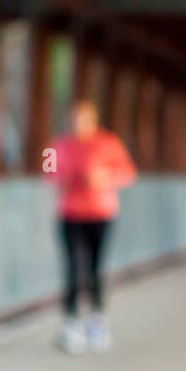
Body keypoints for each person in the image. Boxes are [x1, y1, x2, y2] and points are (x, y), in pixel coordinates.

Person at [46, 98, 137, 354]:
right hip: (70, 213)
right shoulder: (59, 145)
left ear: (93, 120)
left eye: (82, 119)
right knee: (73, 267)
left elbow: (128, 173)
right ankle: (71, 323)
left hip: (101, 212)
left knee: (96, 268)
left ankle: (97, 322)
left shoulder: (108, 143)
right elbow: (47, 172)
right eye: (73, 120)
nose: (77, 125)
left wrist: (104, 176)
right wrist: (66, 177)